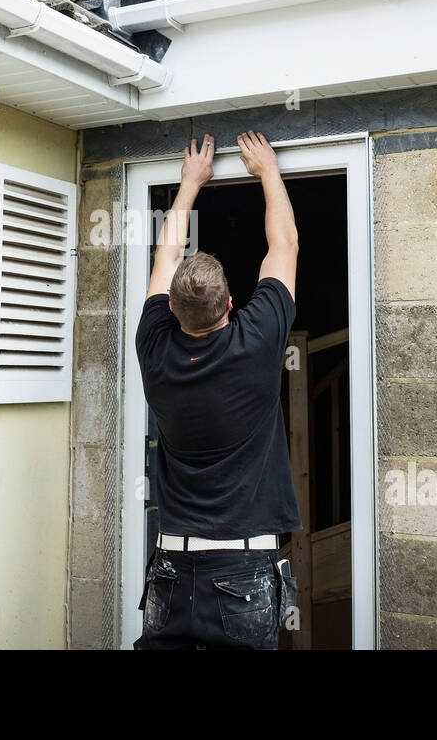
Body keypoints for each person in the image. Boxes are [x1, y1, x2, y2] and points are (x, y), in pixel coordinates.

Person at [132, 130, 302, 650]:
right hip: (243, 565)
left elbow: (165, 259)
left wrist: (188, 185)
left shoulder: (153, 345)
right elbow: (285, 245)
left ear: (171, 310)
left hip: (170, 564)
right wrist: (269, 172)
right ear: (231, 304)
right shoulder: (257, 340)